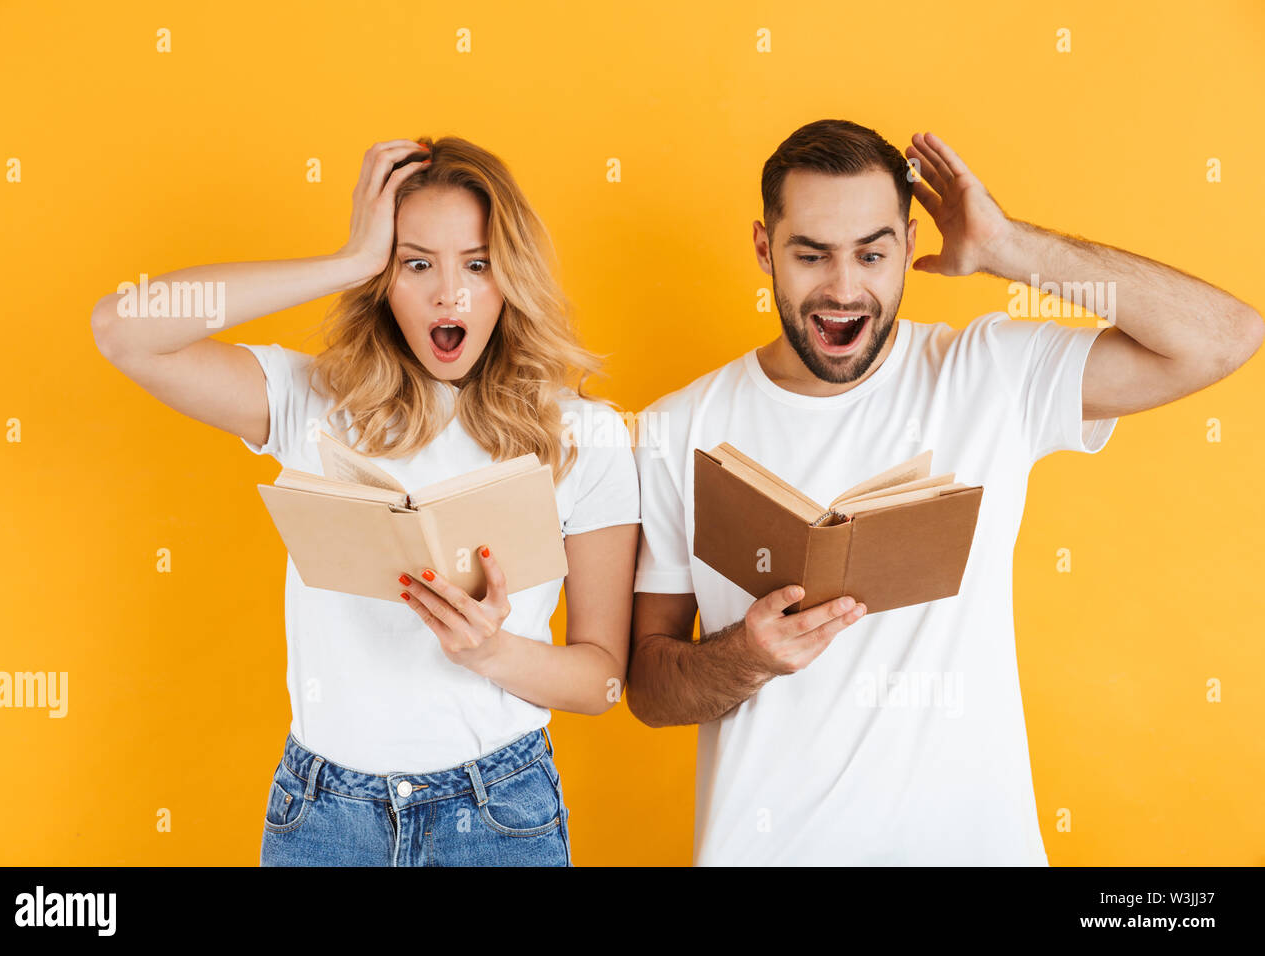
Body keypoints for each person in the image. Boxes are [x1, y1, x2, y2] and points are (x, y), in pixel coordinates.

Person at [627, 119, 1262, 865]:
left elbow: (1223, 336)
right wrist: (746, 656)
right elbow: (645, 687)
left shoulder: (989, 374)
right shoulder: (678, 429)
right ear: (765, 249)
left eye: (872, 252)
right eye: (810, 255)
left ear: (907, 243)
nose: (843, 289)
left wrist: (1006, 247)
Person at [90, 136, 640, 866]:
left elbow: (602, 678)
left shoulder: (583, 436)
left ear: (511, 277)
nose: (450, 294)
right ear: (386, 278)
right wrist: (347, 260)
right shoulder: (310, 402)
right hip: (324, 816)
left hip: (499, 811)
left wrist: (491, 651)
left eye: (477, 265)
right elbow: (123, 329)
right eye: (417, 264)